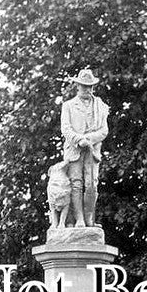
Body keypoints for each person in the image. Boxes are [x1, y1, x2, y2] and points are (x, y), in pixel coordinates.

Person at [60, 68, 109, 227]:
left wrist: (89, 139)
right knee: (76, 183)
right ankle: (79, 219)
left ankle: (89, 219)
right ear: (77, 86)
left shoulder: (100, 106)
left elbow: (104, 130)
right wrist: (79, 139)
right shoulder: (68, 105)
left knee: (91, 184)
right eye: (84, 86)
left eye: (90, 86)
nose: (87, 89)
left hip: (93, 150)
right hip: (74, 150)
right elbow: (65, 128)